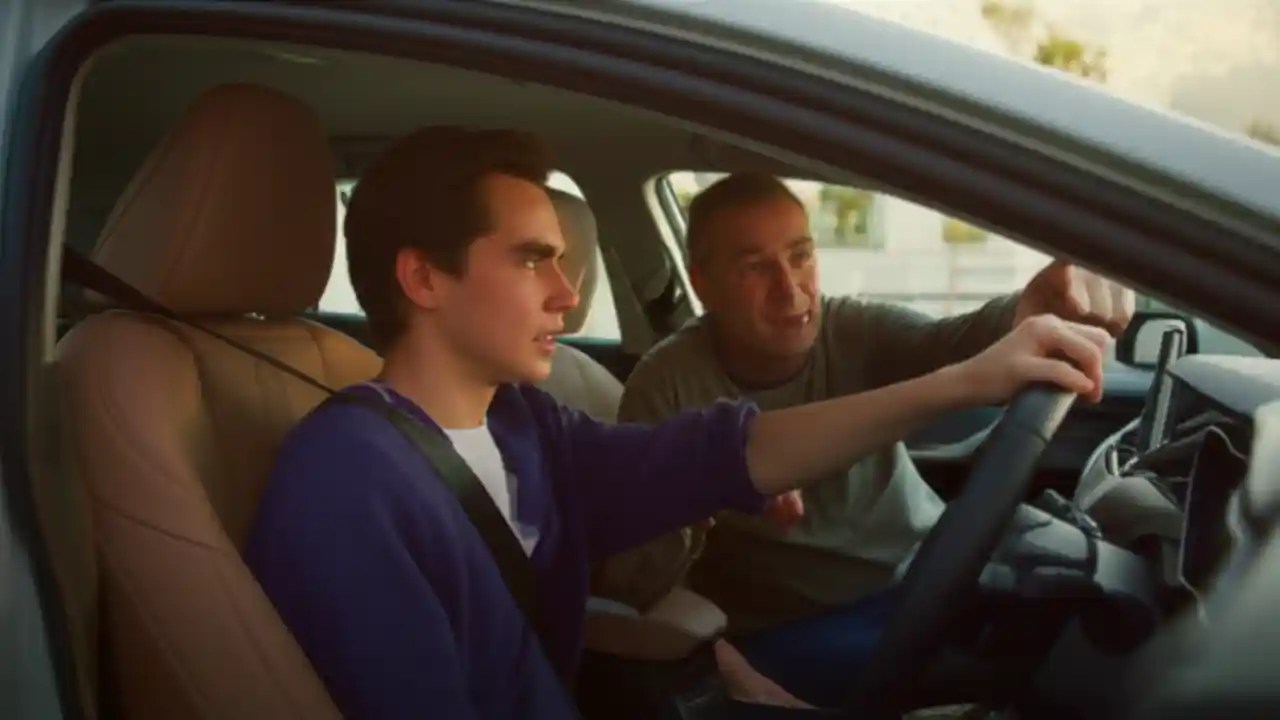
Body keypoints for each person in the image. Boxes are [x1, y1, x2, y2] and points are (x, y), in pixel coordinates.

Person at [243, 129, 1111, 719]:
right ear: (424, 280)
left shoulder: (523, 426)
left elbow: (721, 453)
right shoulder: (346, 485)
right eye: (533, 259)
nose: (568, 294)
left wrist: (964, 378)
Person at [594, 173, 1133, 705]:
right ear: (702, 284)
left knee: (1083, 614)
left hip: (932, 572)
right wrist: (708, 495)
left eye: (801, 255)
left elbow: (949, 344)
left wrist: (1026, 311)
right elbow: (632, 571)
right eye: (755, 267)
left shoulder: (852, 329)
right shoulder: (665, 386)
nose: (790, 288)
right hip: (798, 626)